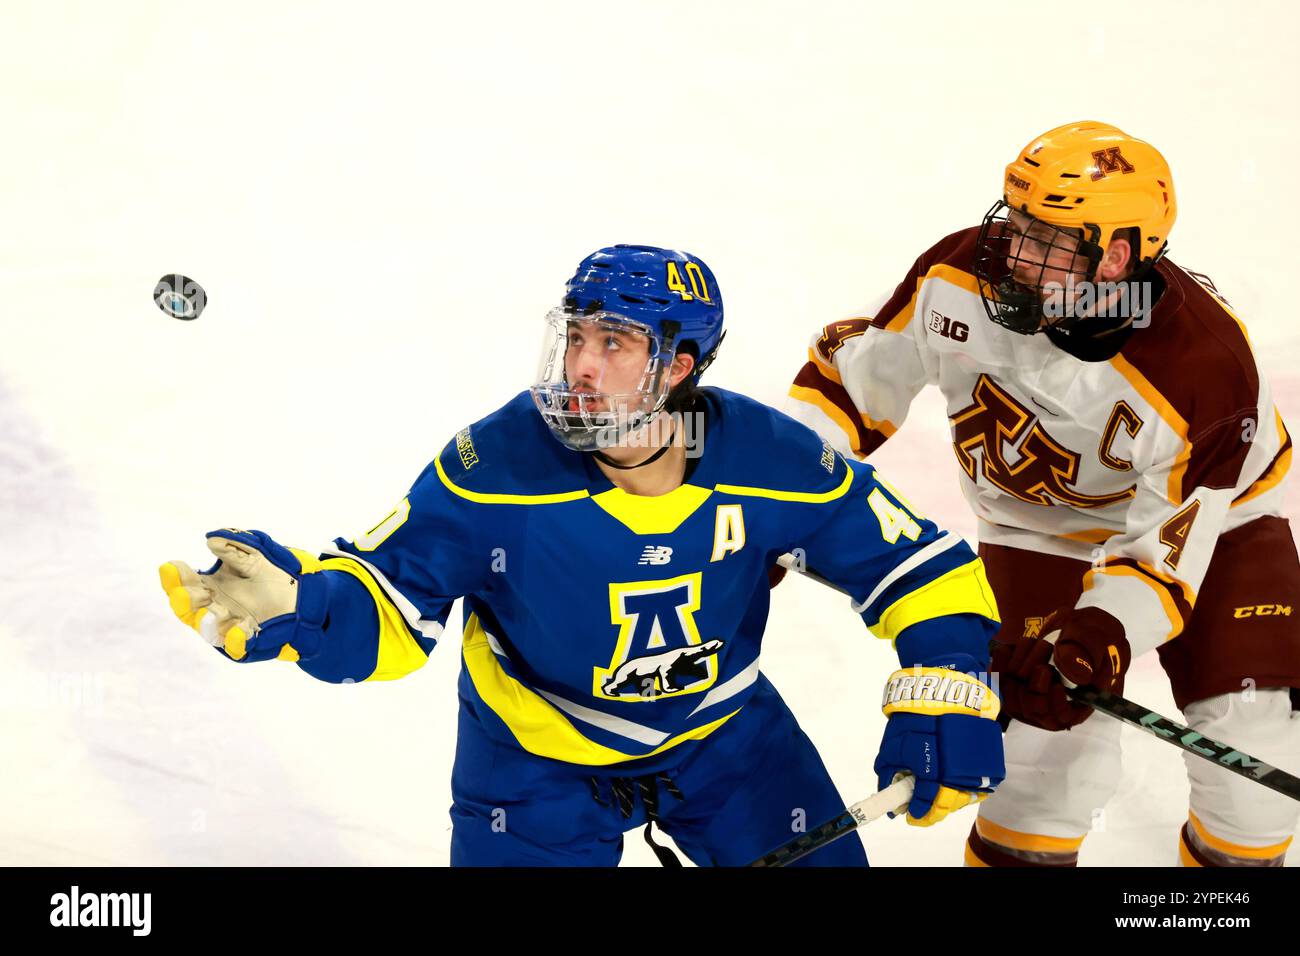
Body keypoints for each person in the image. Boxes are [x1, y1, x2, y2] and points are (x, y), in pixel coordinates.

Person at [159, 244, 1003, 867]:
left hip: (724, 743)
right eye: (576, 339)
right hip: (534, 760)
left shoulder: (772, 459)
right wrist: (314, 611)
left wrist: (951, 679)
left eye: (615, 344)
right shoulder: (493, 469)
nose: (581, 368)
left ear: (677, 365)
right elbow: (390, 596)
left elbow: (918, 563)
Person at [786, 122, 1300, 867]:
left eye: (1048, 242)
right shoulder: (957, 277)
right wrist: (763, 497)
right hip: (1036, 531)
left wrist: (1100, 635)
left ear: (1117, 256)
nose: (1012, 255)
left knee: (1249, 766)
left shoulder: (1203, 370)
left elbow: (1163, 559)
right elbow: (853, 388)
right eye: (1017, 225)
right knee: (1035, 776)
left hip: (1221, 530)